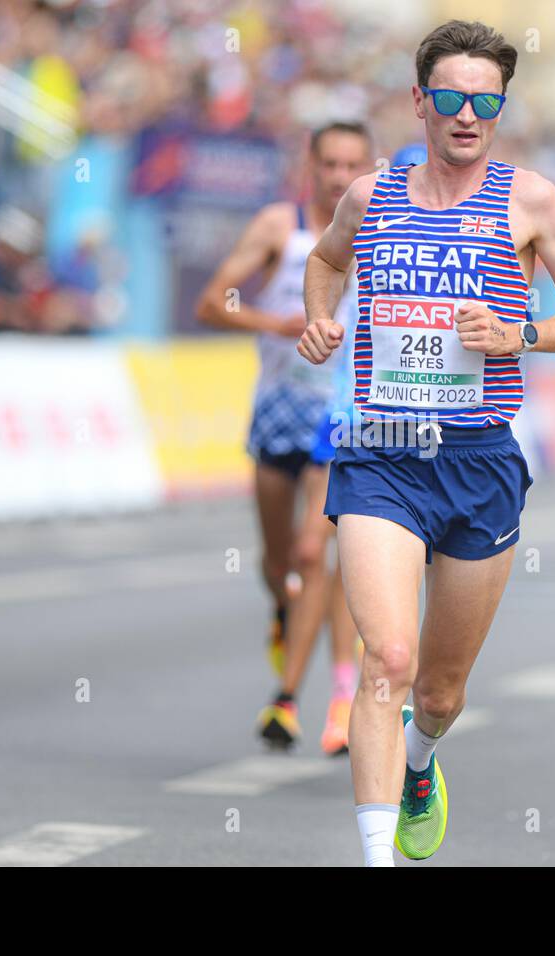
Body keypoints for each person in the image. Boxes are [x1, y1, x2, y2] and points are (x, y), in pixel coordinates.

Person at [298, 20, 555, 866]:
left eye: (485, 101)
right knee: (387, 657)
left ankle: (422, 762)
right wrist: (322, 317)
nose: (466, 115)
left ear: (500, 107)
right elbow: (326, 261)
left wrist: (519, 332)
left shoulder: (533, 200)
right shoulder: (369, 196)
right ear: (419, 101)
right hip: (380, 453)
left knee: (437, 689)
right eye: (450, 97)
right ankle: (375, 858)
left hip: (479, 465)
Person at [196, 122, 374, 754]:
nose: (338, 174)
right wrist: (278, 321)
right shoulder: (281, 226)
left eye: (352, 162)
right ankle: (283, 610)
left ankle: (298, 699)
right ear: (311, 165)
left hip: (343, 414)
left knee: (311, 552)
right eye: (329, 162)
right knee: (278, 563)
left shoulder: (383, 226)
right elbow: (213, 303)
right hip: (278, 407)